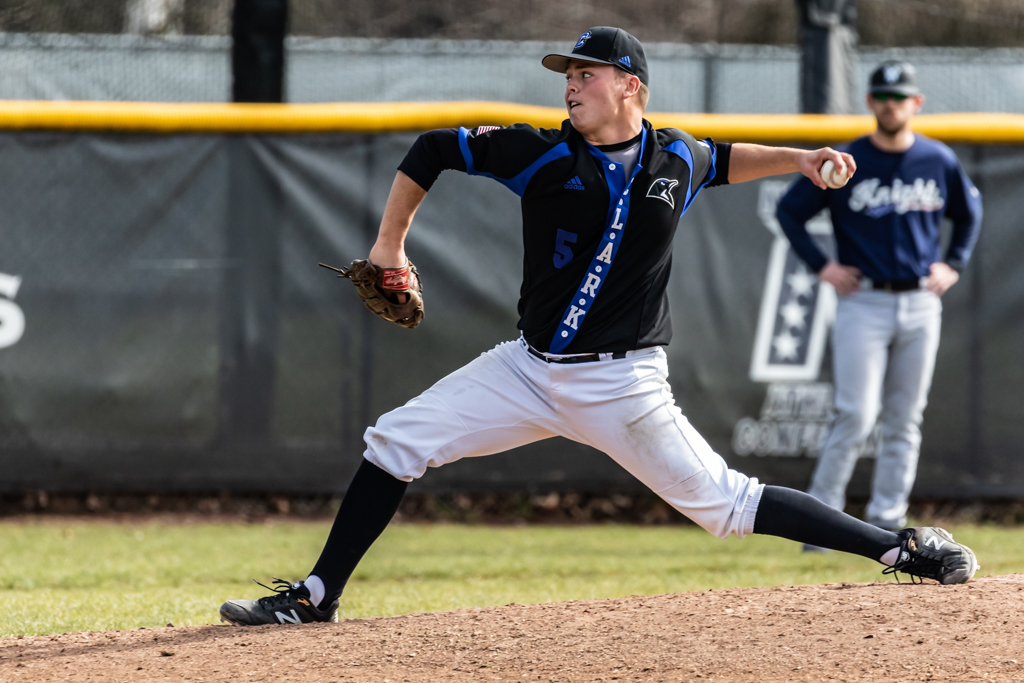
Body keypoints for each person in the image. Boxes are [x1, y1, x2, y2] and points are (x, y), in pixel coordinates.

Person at [220, 31, 979, 627]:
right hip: (526, 368)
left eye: (586, 73)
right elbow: (432, 150)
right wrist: (391, 245)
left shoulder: (673, 155)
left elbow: (724, 160)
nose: (571, 85)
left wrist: (800, 160)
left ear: (630, 87)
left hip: (623, 382)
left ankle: (901, 546)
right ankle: (316, 595)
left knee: (728, 506)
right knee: (394, 441)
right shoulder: (542, 152)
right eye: (568, 74)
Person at [776, 60, 983, 539]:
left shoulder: (937, 159)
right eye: (883, 96)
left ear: (916, 103)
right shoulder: (847, 160)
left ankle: (889, 521)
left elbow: (969, 213)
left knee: (905, 418)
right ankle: (821, 524)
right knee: (854, 413)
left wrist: (954, 263)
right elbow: (790, 211)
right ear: (870, 102)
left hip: (919, 301)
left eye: (900, 96)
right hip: (863, 300)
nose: (891, 105)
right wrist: (821, 265)